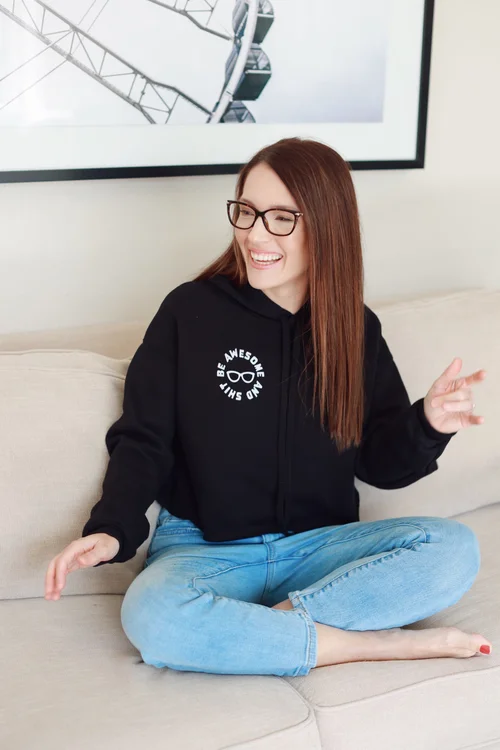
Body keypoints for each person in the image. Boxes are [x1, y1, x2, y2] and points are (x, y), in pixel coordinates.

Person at [44, 137, 492, 675]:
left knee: (454, 549)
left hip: (318, 548)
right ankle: (365, 644)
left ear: (326, 226)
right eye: (247, 211)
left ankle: (266, 634)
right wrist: (111, 528)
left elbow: (379, 465)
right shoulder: (190, 311)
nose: (255, 235)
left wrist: (428, 423)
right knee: (153, 614)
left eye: (281, 218)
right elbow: (144, 439)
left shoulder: (354, 327)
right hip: (204, 548)